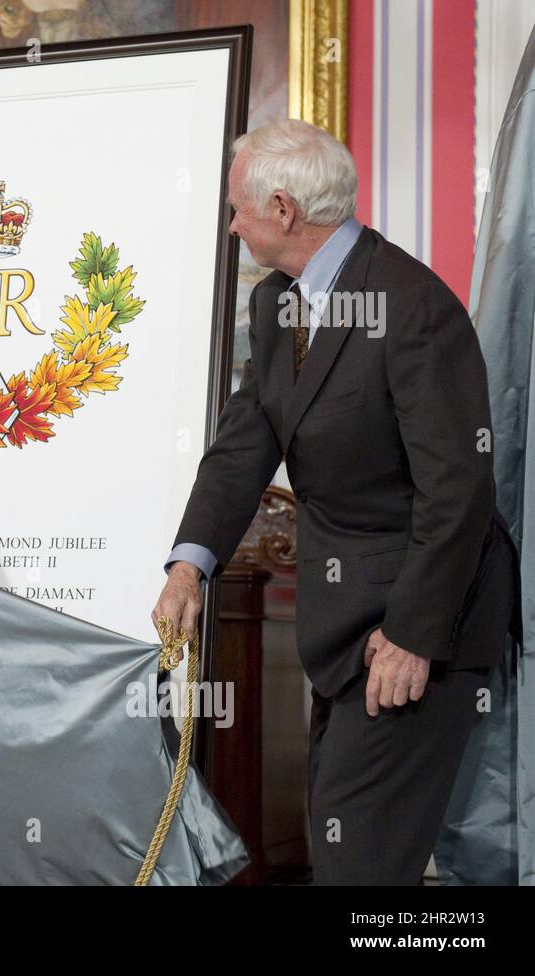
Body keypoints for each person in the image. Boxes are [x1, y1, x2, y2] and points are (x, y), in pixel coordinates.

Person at [152, 118, 521, 884]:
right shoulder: (276, 305)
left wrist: (414, 636)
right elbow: (243, 446)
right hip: (340, 633)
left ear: (282, 210)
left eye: (237, 209)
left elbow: (458, 488)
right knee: (350, 858)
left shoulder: (411, 303)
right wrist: (190, 565)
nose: (231, 225)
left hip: (415, 629)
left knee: (360, 871)